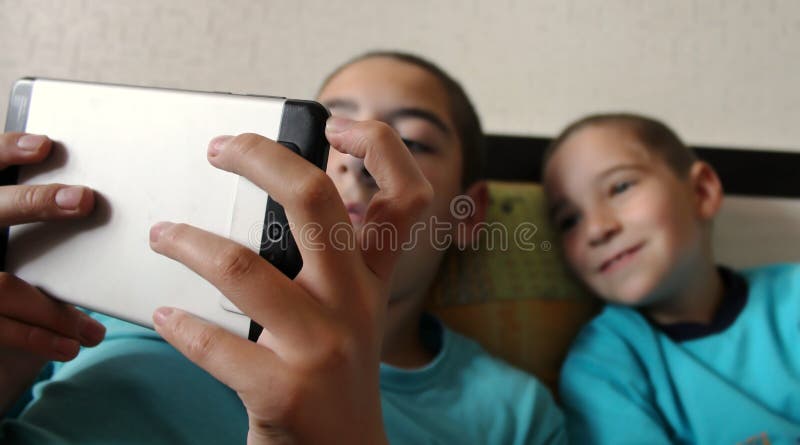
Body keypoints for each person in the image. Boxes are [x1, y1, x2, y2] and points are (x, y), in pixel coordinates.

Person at [0, 52, 564, 444]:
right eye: (329, 132)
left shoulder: (513, 413)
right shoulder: (116, 300)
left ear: (471, 212)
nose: (354, 160)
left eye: (412, 142)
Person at [541, 113, 800, 444]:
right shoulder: (602, 366)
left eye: (620, 187)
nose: (596, 229)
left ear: (701, 192)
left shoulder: (792, 300)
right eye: (569, 220)